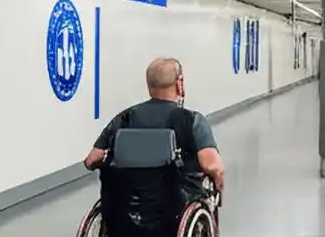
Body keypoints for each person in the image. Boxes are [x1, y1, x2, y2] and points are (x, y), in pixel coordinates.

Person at [84, 57, 225, 195]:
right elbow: (211, 165)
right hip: (175, 201)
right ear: (179, 83)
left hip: (126, 204)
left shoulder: (125, 118)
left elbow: (91, 159)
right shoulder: (192, 120)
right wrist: (217, 179)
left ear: (149, 85)